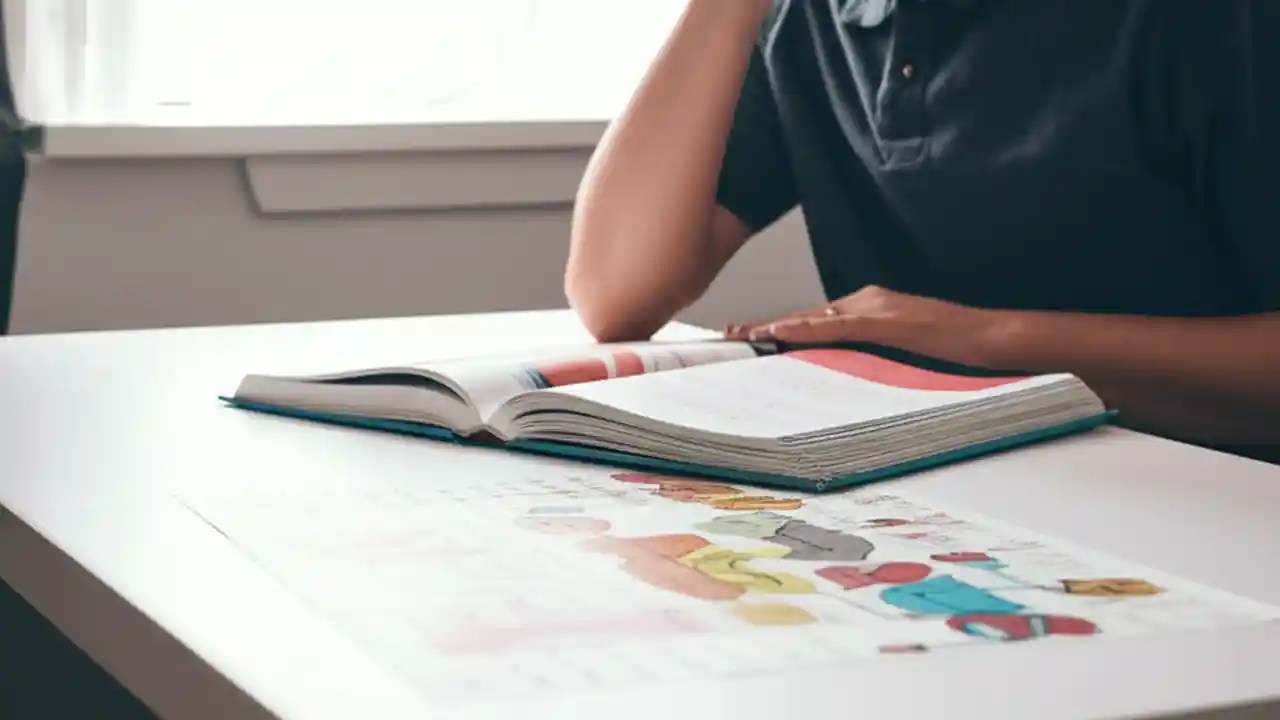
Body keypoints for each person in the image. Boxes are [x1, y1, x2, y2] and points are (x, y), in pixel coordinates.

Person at [565, 0, 1279, 462]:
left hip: (1214, 512)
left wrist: (980, 343)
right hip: (969, 503)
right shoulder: (811, 22)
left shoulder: (1213, 23)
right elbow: (616, 292)